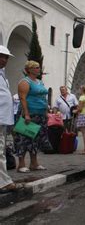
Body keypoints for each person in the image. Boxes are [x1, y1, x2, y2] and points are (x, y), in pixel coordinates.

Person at [15, 60, 49, 172]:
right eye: (36, 67)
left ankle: (34, 163)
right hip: (29, 114)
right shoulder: (25, 82)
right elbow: (23, 98)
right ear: (29, 69)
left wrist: (45, 111)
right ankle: (21, 164)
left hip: (40, 114)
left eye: (39, 67)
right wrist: (26, 114)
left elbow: (43, 97)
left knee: (35, 139)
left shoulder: (39, 82)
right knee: (24, 138)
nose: (38, 69)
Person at [0, 46, 24, 192]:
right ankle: (4, 182)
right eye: (1, 56)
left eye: (6, 57)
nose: (4, 60)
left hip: (3, 119)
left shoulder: (2, 74)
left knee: (1, 149)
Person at [76, 85, 85, 155]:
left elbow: (80, 108)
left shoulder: (82, 97)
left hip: (83, 115)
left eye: (79, 89)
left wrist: (75, 111)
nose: (79, 90)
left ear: (82, 90)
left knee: (84, 133)